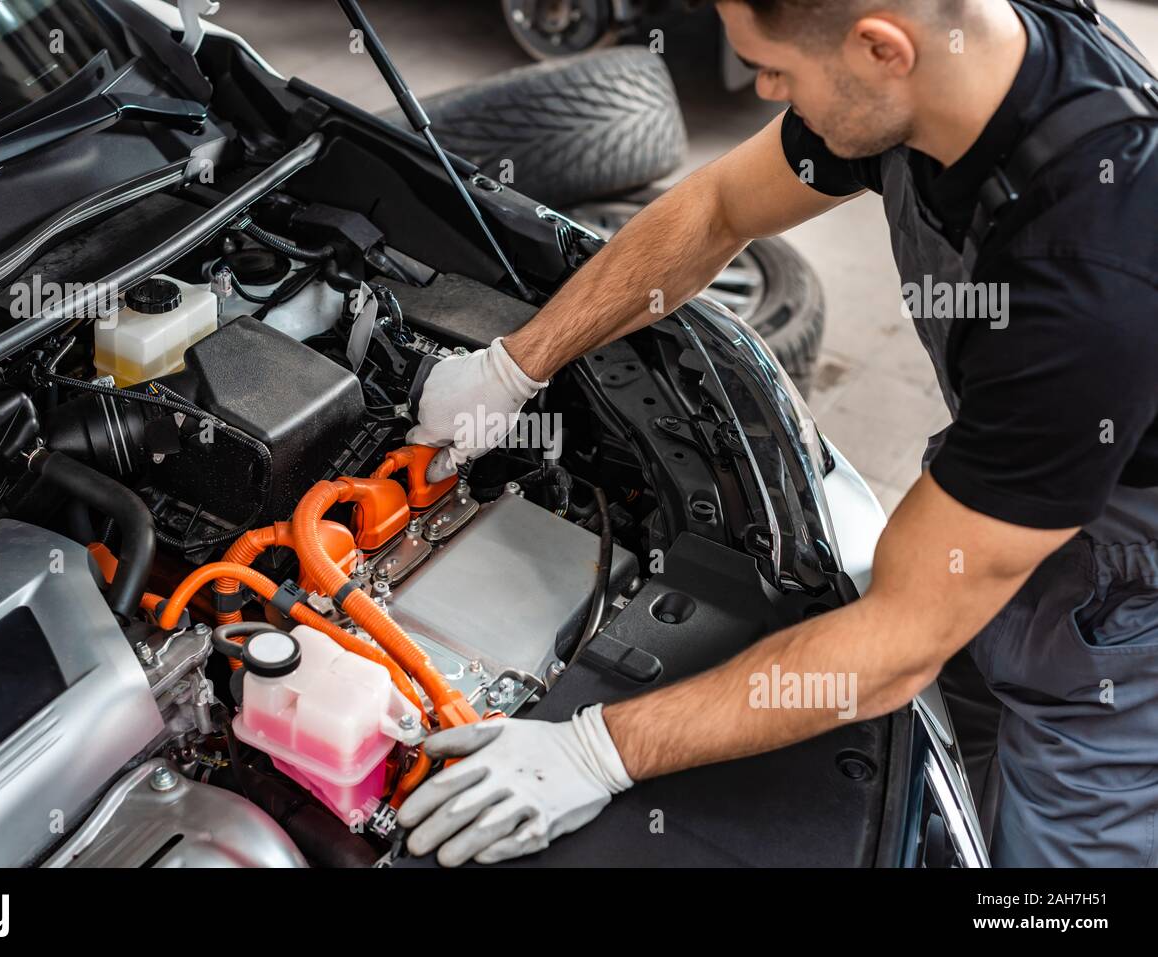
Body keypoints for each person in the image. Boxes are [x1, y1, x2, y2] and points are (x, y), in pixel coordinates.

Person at [399, 0, 1158, 867]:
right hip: (1005, 493)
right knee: (951, 771)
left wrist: (594, 748)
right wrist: (513, 368)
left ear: (881, 49)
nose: (764, 88)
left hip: (1125, 611)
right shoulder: (954, 68)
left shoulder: (1093, 281)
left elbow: (900, 643)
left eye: (777, 70)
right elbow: (720, 206)